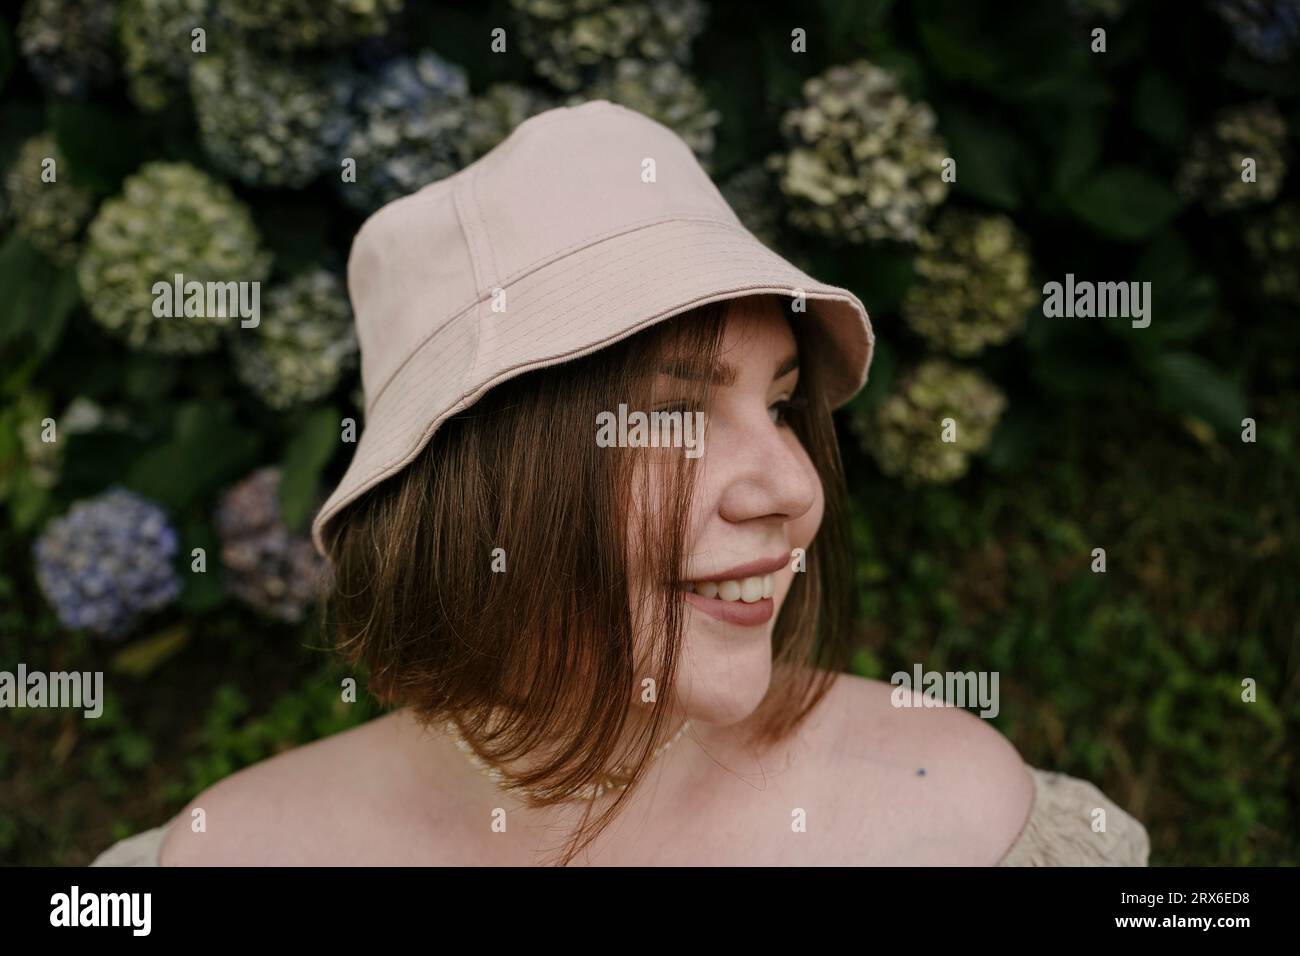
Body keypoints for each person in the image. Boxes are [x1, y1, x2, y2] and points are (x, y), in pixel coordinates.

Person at [92, 100, 1149, 867]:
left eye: (782, 405)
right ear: (478, 489)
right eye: (678, 415)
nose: (793, 489)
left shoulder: (956, 817)